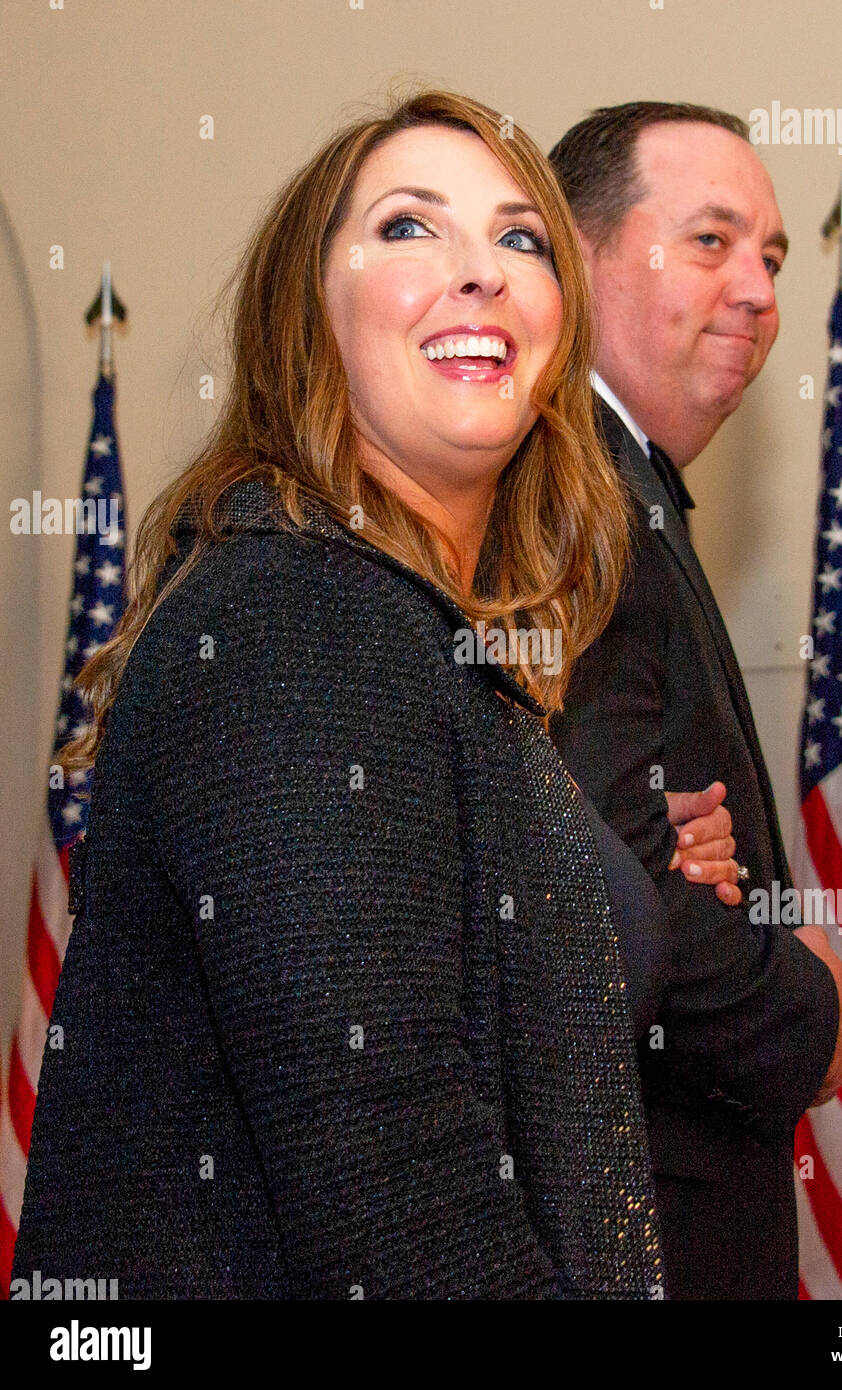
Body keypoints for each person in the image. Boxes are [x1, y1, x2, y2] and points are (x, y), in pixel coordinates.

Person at [9, 90, 727, 1300]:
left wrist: (611, 870)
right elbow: (396, 1198)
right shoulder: (297, 614)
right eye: (408, 228)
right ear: (309, 313)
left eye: (519, 239)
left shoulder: (415, 634)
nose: (480, 274)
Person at [548, 102, 842, 1299]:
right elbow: (618, 909)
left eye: (772, 258)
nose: (757, 290)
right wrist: (815, 1015)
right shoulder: (565, 495)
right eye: (710, 241)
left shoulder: (629, 486)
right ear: (576, 261)